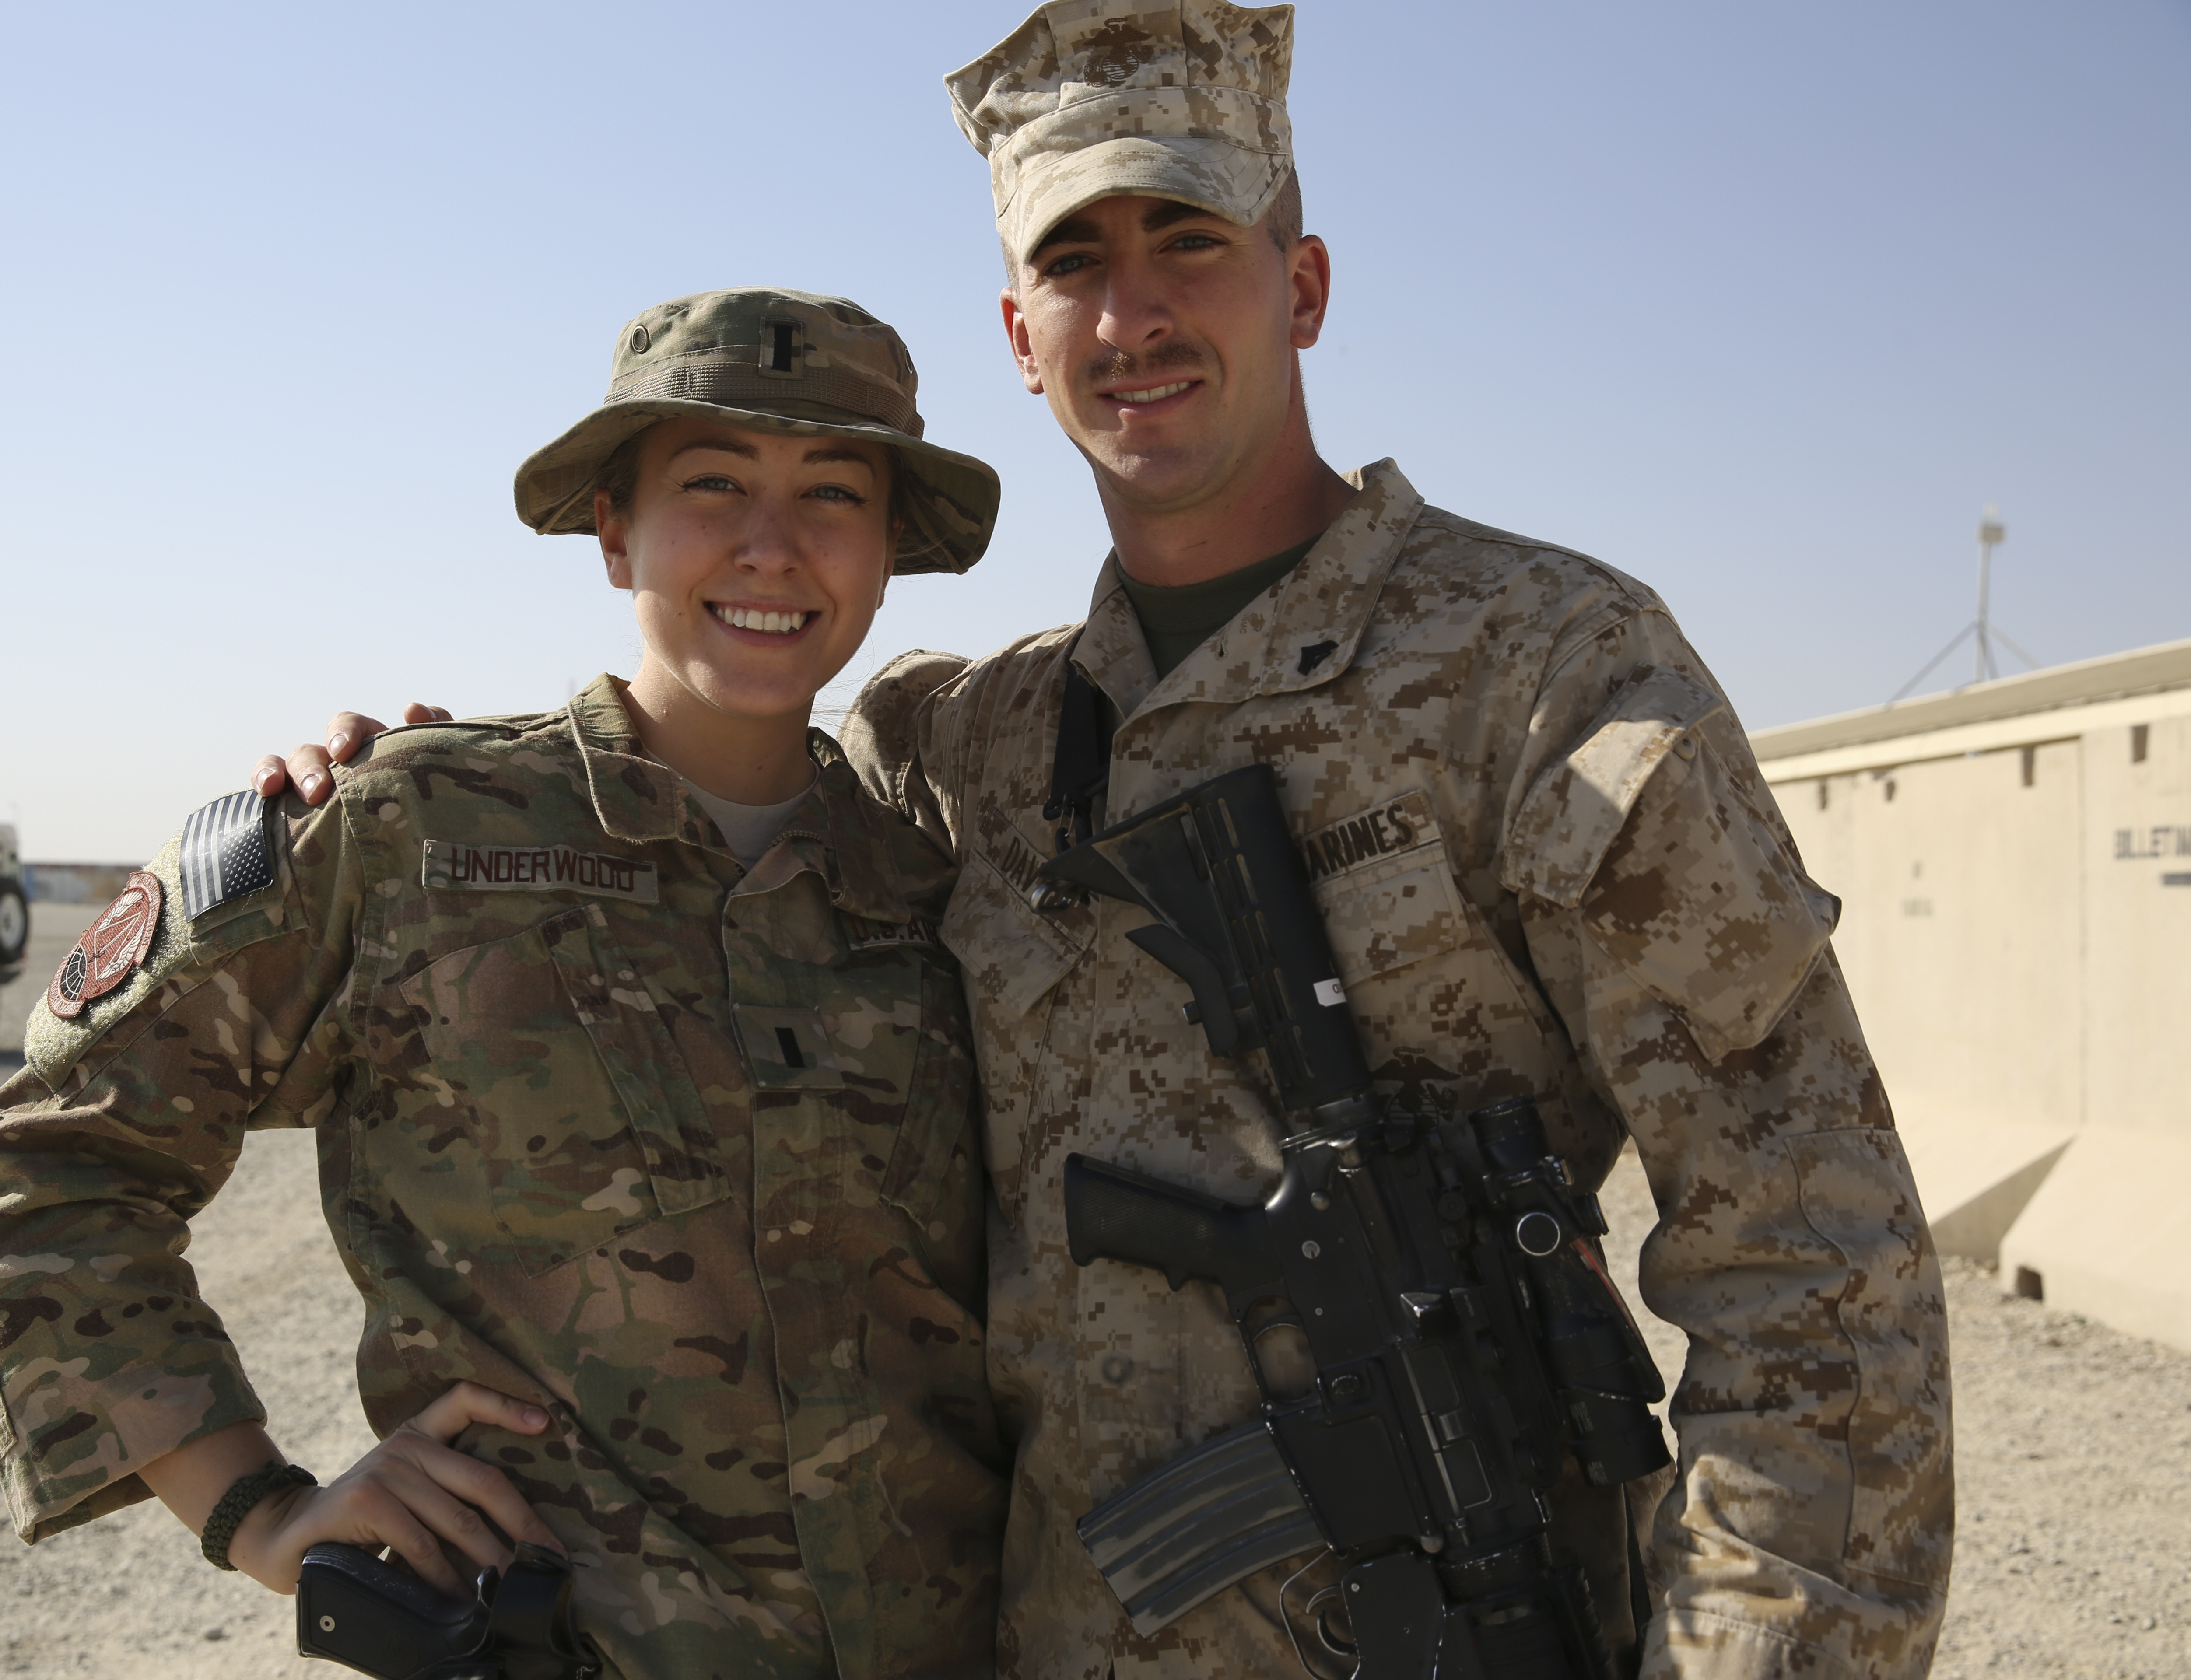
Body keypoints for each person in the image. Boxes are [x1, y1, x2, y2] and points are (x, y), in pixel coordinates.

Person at [262, 4, 1956, 1675]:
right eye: (1077, 261)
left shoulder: (1543, 672)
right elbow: (691, 871)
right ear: (1019, 334)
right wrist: (442, 791)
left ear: (1301, 285)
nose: (1133, 312)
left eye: (1189, 240)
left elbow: (1815, 1273)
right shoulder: (961, 748)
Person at [0, 287, 1013, 1680]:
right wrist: (263, 1514)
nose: (774, 544)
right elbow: (55, 1168)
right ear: (614, 529)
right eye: (711, 484)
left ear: (887, 553)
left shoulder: (936, 888)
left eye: (834, 492)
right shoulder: (409, 833)